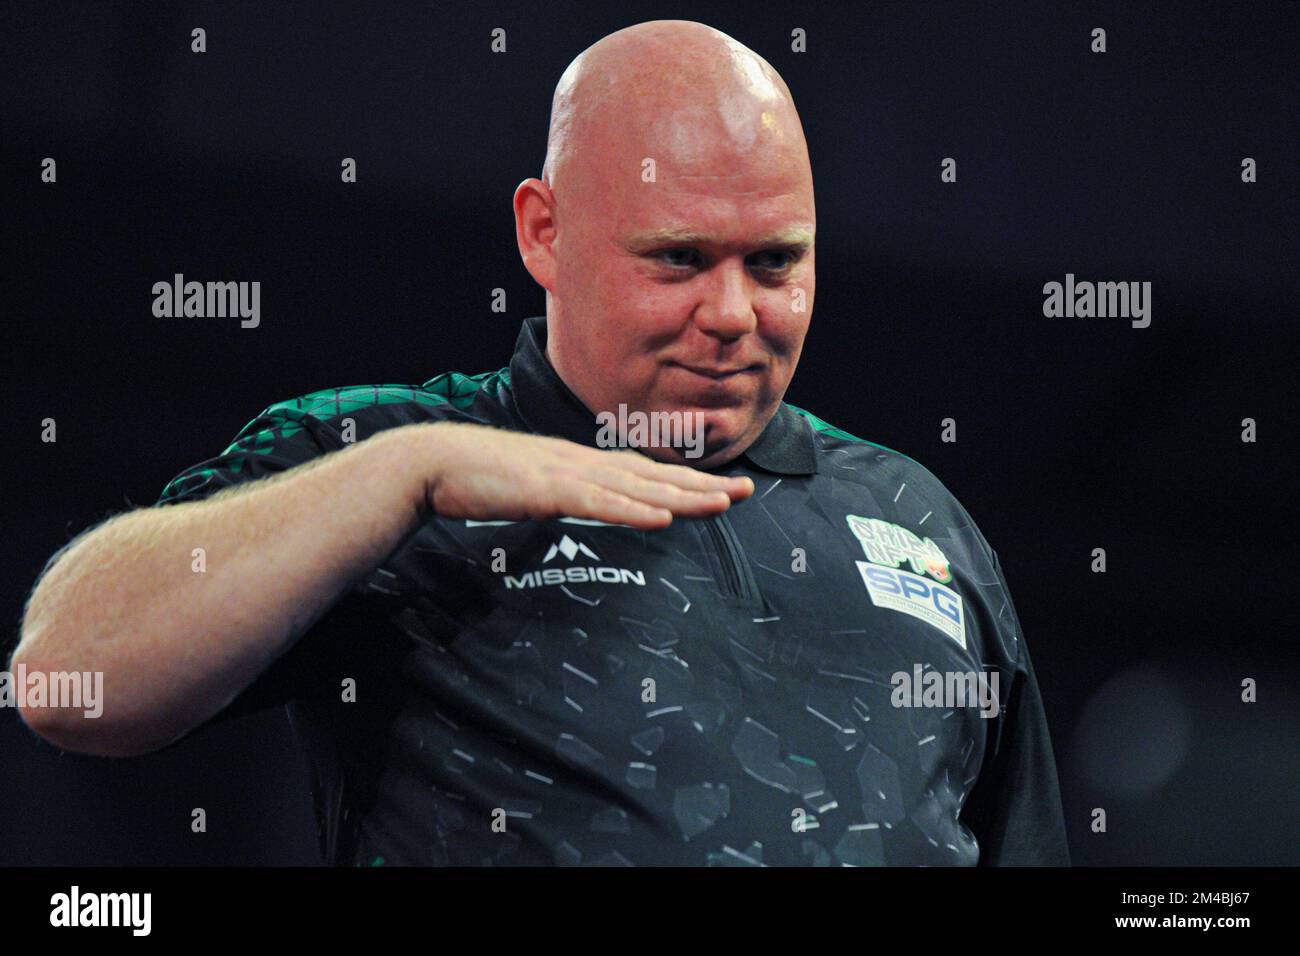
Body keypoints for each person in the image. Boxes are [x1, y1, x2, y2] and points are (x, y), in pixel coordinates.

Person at [13, 20, 1069, 866]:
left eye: (775, 261)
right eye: (679, 258)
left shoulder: (913, 519)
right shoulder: (385, 453)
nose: (733, 311)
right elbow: (66, 680)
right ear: (543, 233)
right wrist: (401, 474)